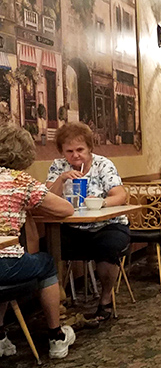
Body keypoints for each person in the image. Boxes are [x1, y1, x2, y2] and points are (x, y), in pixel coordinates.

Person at [0, 123, 76, 359]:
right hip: (6, 264)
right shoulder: (21, 182)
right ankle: (56, 335)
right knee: (45, 262)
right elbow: (66, 209)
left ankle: (0, 336)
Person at [46, 122, 130, 323]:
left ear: (89, 148)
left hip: (107, 225)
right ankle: (56, 308)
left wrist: (100, 203)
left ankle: (106, 299)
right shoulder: (58, 167)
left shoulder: (103, 165)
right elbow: (46, 197)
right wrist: (62, 179)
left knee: (108, 247)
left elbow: (120, 195)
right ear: (62, 151)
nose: (75, 155)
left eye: (80, 150)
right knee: (48, 249)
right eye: (69, 151)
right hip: (72, 228)